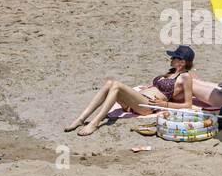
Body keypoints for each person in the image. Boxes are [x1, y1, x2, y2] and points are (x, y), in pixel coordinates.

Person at [66, 45, 201, 136]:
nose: (170, 59)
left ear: (182, 62)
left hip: (146, 106)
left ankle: (95, 123)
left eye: (174, 57)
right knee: (109, 83)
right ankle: (81, 119)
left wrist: (164, 105)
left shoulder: (185, 77)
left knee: (117, 85)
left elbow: (187, 104)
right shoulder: (170, 73)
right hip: (137, 101)